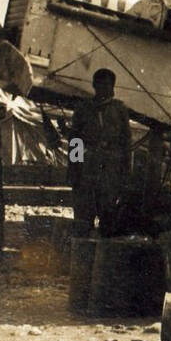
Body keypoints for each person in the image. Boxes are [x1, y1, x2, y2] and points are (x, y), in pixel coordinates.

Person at [68, 68, 131, 235]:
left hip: (111, 171)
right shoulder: (83, 109)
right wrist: (74, 169)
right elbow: (75, 140)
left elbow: (126, 143)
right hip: (87, 168)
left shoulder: (119, 109)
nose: (105, 88)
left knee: (109, 215)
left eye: (109, 85)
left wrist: (125, 173)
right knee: (83, 216)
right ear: (94, 86)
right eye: (101, 84)